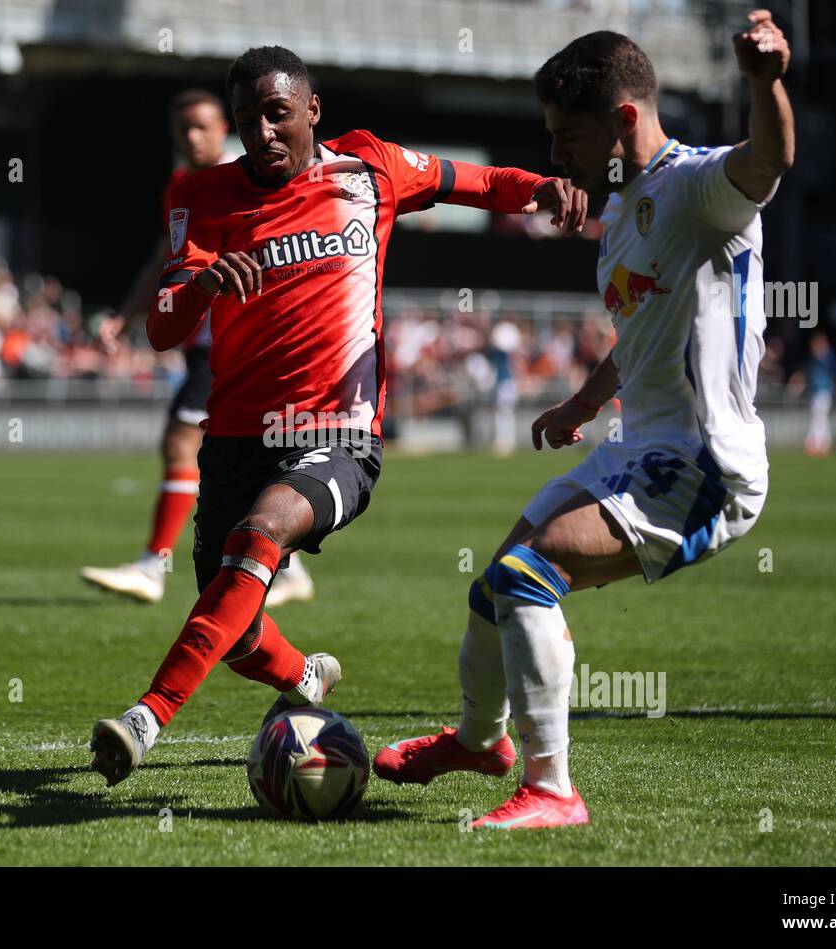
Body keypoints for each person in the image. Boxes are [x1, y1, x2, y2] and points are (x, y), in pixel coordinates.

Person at [88, 45, 587, 786]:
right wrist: (198, 289)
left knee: (263, 530)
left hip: (338, 433)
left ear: (312, 110)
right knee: (237, 629)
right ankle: (305, 677)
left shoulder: (370, 167)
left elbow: (473, 182)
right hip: (233, 438)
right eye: (247, 118)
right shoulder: (201, 194)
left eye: (277, 113)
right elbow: (161, 325)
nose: (261, 132)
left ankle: (147, 714)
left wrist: (538, 187)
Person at [374, 13, 794, 829]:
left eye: (568, 136)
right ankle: (478, 739)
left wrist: (765, 80)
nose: (556, 155)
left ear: (624, 119)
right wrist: (584, 401)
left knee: (529, 575)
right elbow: (643, 328)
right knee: (495, 580)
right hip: (636, 445)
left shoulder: (698, 186)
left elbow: (768, 159)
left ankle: (553, 789)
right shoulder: (627, 206)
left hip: (705, 464)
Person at [80, 88, 315, 607]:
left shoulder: (252, 177)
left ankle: (153, 565)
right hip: (205, 344)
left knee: (182, 445)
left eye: (202, 127)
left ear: (223, 128)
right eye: (182, 128)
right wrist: (127, 314)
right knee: (246, 458)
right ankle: (288, 567)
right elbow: (165, 256)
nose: (192, 136)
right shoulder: (183, 188)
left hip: (234, 344)